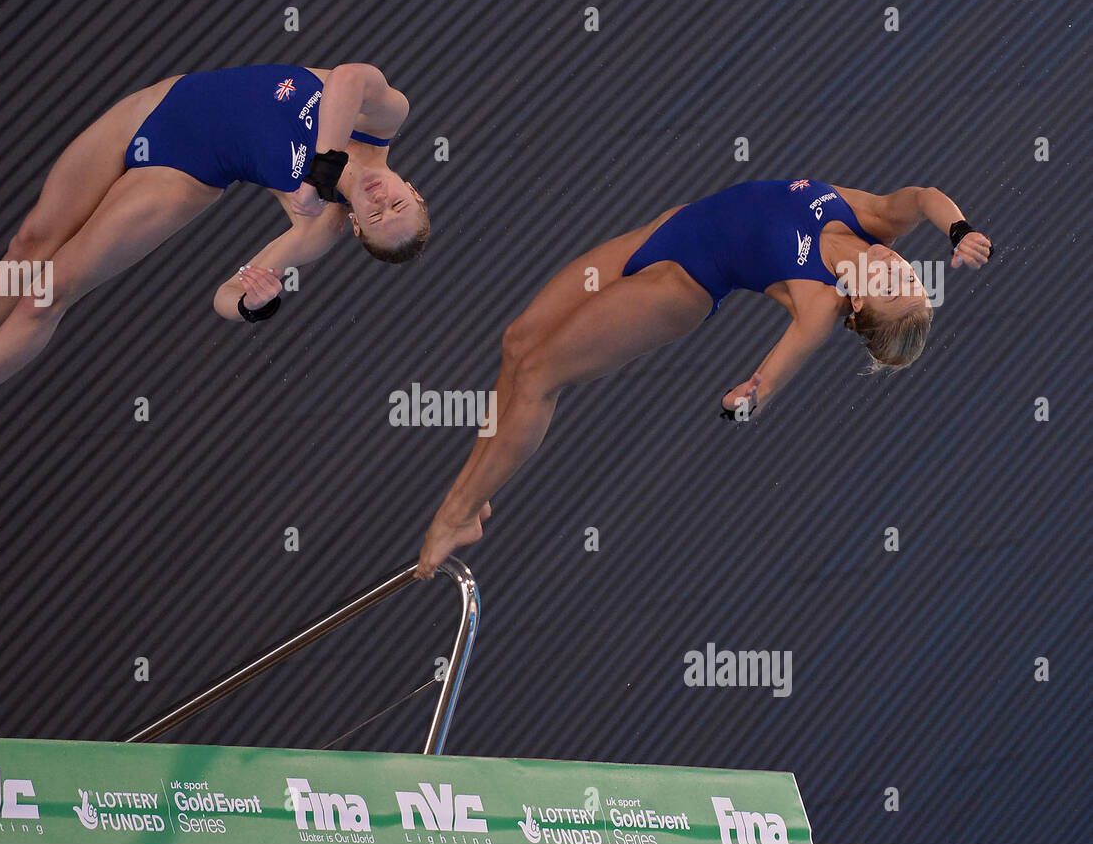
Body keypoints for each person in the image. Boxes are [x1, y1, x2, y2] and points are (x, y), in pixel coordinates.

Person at [0, 63, 428, 473]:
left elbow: (224, 297)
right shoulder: (382, 119)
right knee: (27, 243)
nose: (381, 201)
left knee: (47, 294)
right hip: (163, 103)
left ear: (357, 226)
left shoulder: (321, 223)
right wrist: (321, 172)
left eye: (378, 217)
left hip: (185, 173)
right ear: (413, 189)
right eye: (398, 203)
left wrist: (256, 302)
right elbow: (351, 76)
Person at [415, 180, 992, 576]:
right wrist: (959, 229)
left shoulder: (820, 304)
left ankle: (459, 510)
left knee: (540, 375)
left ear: (860, 306)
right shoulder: (874, 219)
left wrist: (748, 396)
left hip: (679, 283)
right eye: (911, 277)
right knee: (517, 341)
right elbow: (923, 197)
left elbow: (767, 381)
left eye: (893, 290)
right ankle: (475, 497)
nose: (897, 270)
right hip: (667, 229)